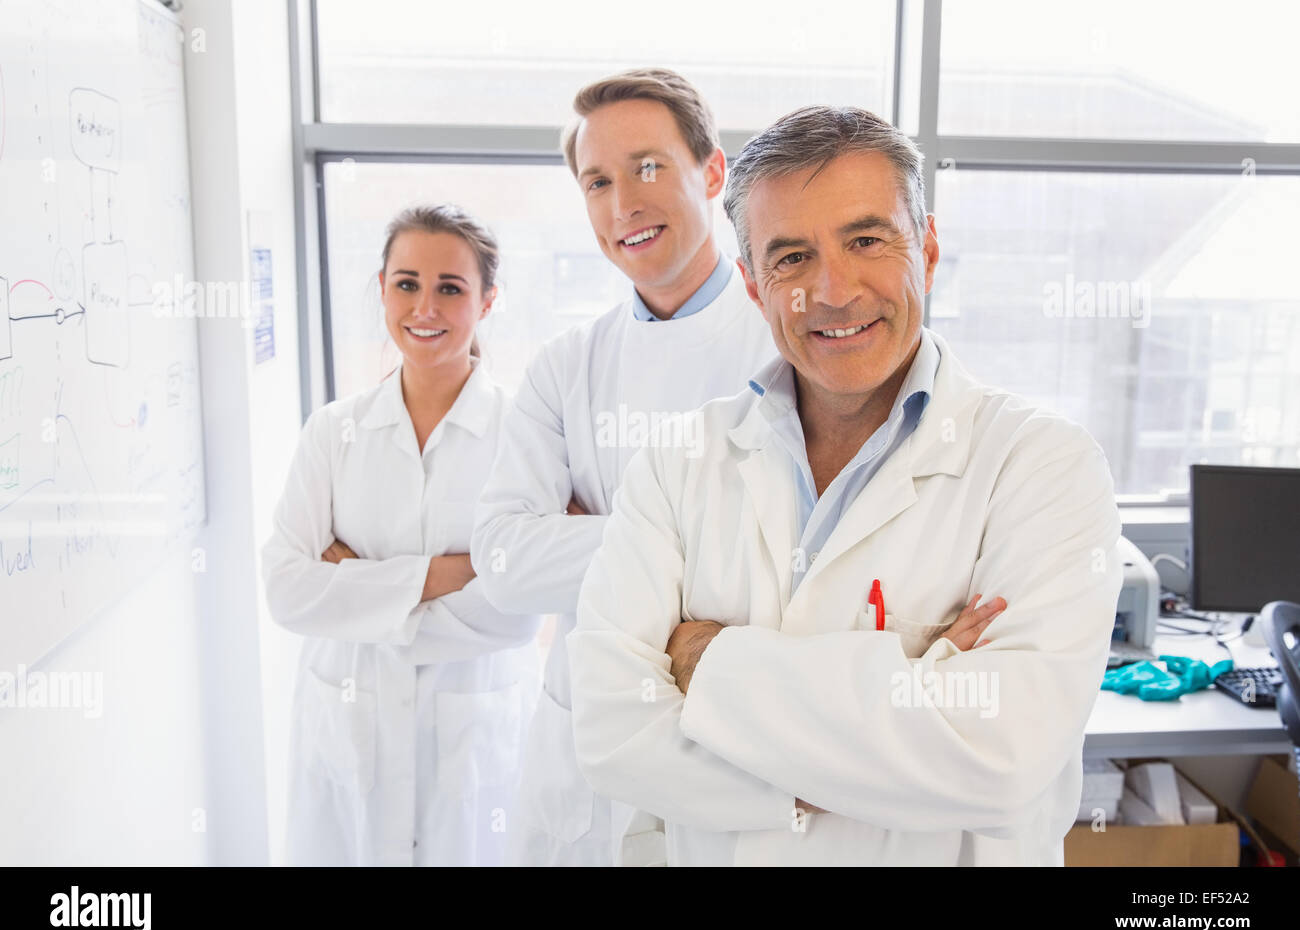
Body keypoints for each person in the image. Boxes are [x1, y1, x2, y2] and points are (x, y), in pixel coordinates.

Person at [566, 106, 1124, 865]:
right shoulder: (676, 463)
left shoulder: (1043, 467)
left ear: (925, 252)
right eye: (790, 257)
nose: (831, 290)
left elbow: (1002, 760)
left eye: (865, 240)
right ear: (755, 288)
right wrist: (901, 707)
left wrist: (709, 663)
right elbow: (609, 730)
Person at [471, 68, 777, 867]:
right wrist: (715, 542)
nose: (622, 206)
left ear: (713, 173)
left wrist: (589, 538)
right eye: (596, 182)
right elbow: (504, 563)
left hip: (741, 748)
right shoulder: (565, 368)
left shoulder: (792, 347)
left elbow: (809, 559)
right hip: (587, 770)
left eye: (648, 167)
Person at [263, 204, 540, 866]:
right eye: (407, 283)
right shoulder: (334, 431)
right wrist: (451, 572)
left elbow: (517, 614)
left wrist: (353, 586)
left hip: (473, 732)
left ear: (487, 300)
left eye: (451, 287)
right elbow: (286, 591)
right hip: (347, 728)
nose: (426, 306)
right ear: (382, 288)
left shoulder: (522, 433)